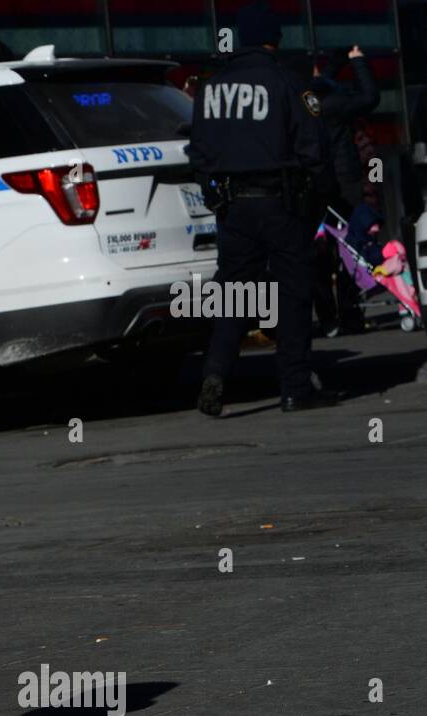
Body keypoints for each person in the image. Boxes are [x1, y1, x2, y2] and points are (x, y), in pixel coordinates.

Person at [188, 5, 337, 415]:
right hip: (281, 204)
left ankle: (215, 374)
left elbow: (197, 151)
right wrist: (314, 207)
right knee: (291, 295)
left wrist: (214, 194)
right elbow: (315, 151)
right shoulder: (288, 83)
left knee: (235, 294)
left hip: (233, 207)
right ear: (276, 39)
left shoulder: (211, 86)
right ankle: (294, 390)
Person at [310, 47, 379, 336]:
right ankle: (351, 312)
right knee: (350, 247)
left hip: (314, 183)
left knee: (319, 253)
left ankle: (328, 318)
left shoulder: (306, 102)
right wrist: (358, 61)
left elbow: (320, 81)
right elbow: (370, 98)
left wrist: (333, 65)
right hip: (345, 181)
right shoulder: (338, 104)